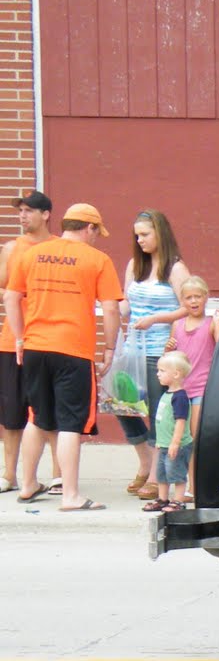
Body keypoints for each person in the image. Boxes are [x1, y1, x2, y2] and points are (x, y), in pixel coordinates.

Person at [3, 202, 122, 511]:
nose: (97, 238)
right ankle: (70, 495)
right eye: (97, 232)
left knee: (37, 417)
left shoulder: (32, 254)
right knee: (70, 422)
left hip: (35, 346)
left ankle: (27, 483)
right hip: (73, 349)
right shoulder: (97, 259)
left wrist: (19, 337)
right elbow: (110, 308)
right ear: (90, 227)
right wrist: (109, 348)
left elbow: (11, 297)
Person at [120, 210, 191, 501]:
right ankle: (145, 460)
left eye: (145, 234)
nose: (140, 240)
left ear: (160, 233)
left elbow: (189, 306)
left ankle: (154, 476)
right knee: (124, 408)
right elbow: (126, 303)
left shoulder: (175, 269)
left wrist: (159, 319)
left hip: (158, 351)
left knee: (156, 412)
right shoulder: (134, 266)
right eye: (137, 235)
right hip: (131, 350)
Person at [0, 191, 60, 493]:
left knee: (48, 410)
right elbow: (3, 289)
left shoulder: (59, 249)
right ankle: (9, 474)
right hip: (12, 340)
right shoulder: (12, 248)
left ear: (45, 214)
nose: (22, 216)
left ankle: (59, 474)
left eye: (29, 211)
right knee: (11, 413)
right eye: (20, 211)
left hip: (46, 341)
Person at [167, 275, 219, 498]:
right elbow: (170, 361)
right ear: (182, 301)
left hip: (201, 389)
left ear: (206, 297)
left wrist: (218, 324)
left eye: (198, 296)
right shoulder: (177, 325)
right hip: (181, 391)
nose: (193, 301)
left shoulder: (210, 325)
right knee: (181, 440)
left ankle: (195, 486)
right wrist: (167, 348)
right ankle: (183, 485)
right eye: (189, 298)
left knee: (196, 438)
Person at [145, 351, 193, 513]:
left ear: (176, 374)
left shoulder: (179, 397)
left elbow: (180, 421)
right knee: (162, 474)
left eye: (162, 371)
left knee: (176, 473)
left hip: (176, 445)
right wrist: (161, 441)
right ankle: (163, 498)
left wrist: (175, 442)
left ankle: (178, 501)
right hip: (164, 444)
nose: (158, 374)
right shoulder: (167, 394)